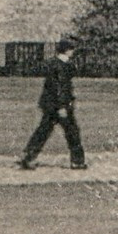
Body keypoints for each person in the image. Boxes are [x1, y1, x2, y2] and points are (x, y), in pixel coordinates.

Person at [18, 39, 87, 170]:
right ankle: (77, 161)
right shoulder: (62, 66)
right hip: (60, 105)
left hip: (49, 104)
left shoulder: (52, 63)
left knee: (44, 130)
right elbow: (59, 87)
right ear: (68, 50)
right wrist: (62, 106)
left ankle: (28, 156)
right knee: (72, 132)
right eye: (72, 49)